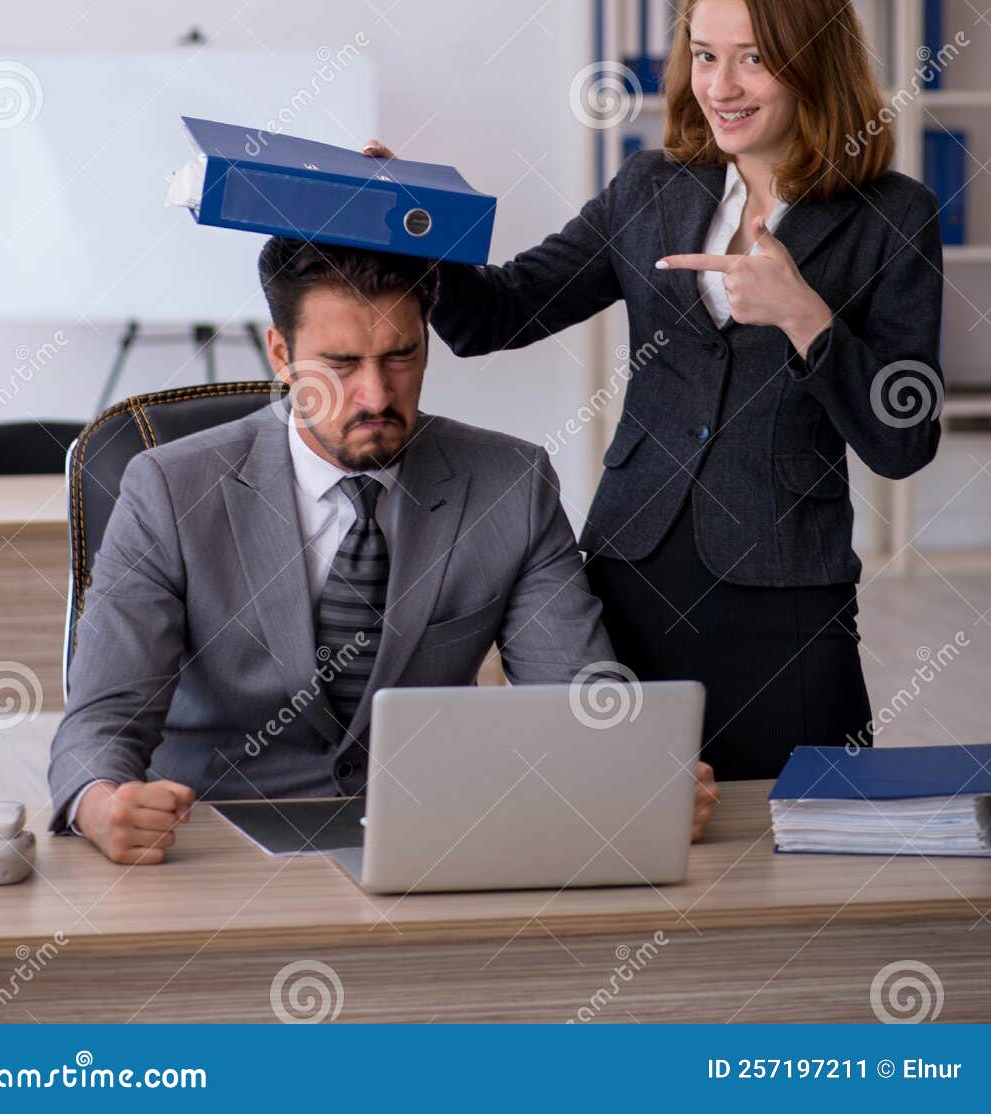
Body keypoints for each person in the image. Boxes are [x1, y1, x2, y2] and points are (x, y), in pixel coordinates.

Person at [365, 0, 944, 781]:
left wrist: (807, 319)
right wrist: (407, 223)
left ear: (814, 62)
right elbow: (500, 313)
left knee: (810, 836)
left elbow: (905, 442)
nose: (721, 85)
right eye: (706, 55)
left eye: (754, 59)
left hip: (786, 590)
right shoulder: (652, 187)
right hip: (632, 573)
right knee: (623, 827)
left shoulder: (893, 216)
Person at [49, 238, 718, 864]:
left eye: (400, 356)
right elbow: (103, 716)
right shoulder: (170, 488)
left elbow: (576, 689)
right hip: (218, 850)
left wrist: (635, 769)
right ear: (281, 353)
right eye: (341, 364)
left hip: (430, 845)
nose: (375, 395)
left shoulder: (508, 484)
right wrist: (101, 803)